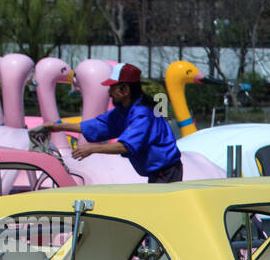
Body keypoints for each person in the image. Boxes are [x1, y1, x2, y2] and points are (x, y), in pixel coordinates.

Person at [31, 63, 182, 183]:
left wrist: (92, 149)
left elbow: (125, 146)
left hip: (166, 172)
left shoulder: (143, 113)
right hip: (156, 172)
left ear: (125, 90)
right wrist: (59, 127)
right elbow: (98, 126)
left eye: (112, 88)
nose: (109, 93)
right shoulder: (125, 110)